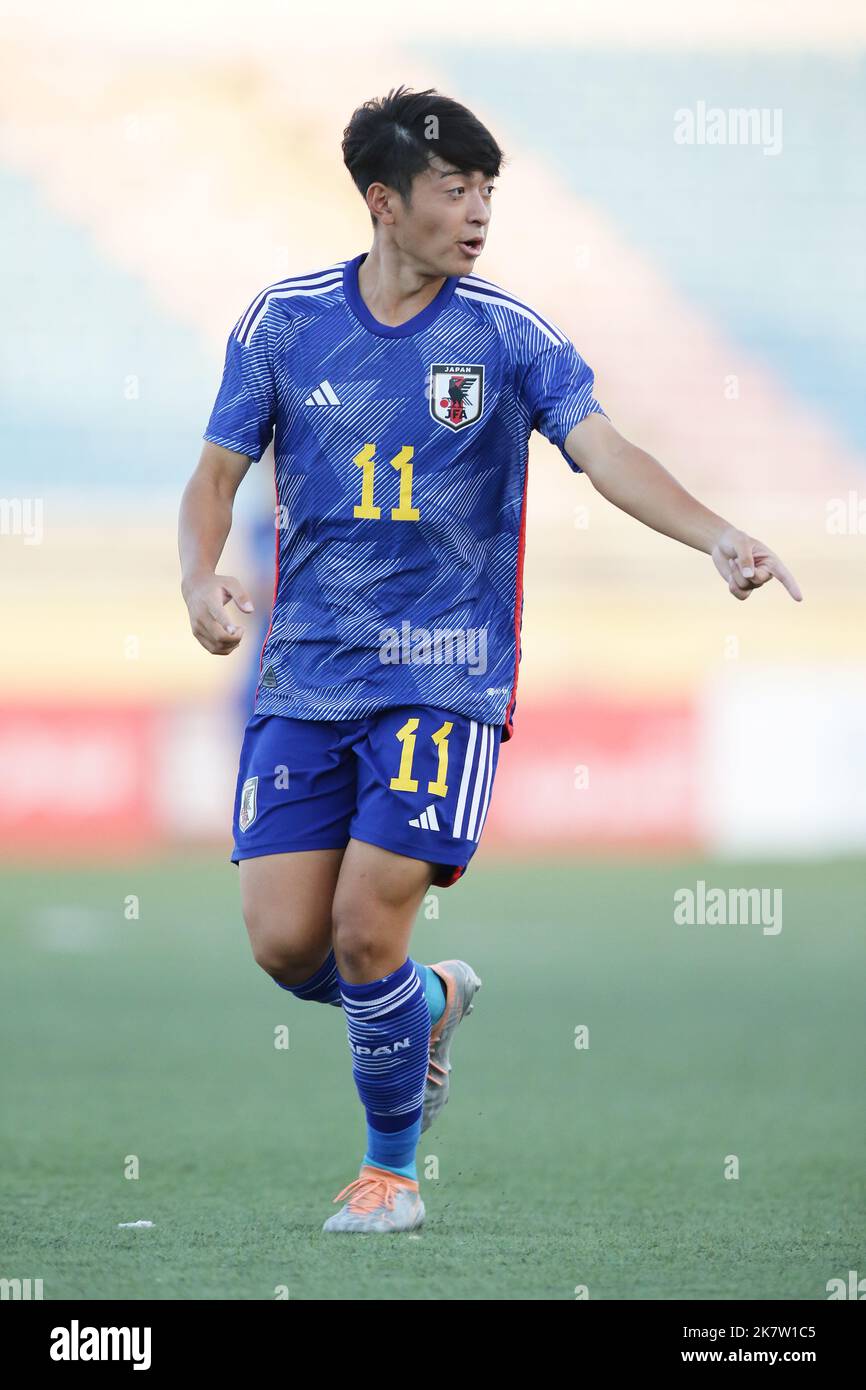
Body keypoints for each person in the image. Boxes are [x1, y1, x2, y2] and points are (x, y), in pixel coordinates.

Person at [178, 85, 802, 1235]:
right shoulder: (282, 323)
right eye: (454, 190)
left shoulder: (507, 337)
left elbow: (603, 451)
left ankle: (388, 1173)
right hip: (304, 674)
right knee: (283, 943)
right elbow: (215, 476)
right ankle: (430, 1000)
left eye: (486, 192)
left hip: (444, 673)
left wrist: (715, 531)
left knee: (366, 923)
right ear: (383, 201)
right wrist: (199, 576)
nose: (477, 214)